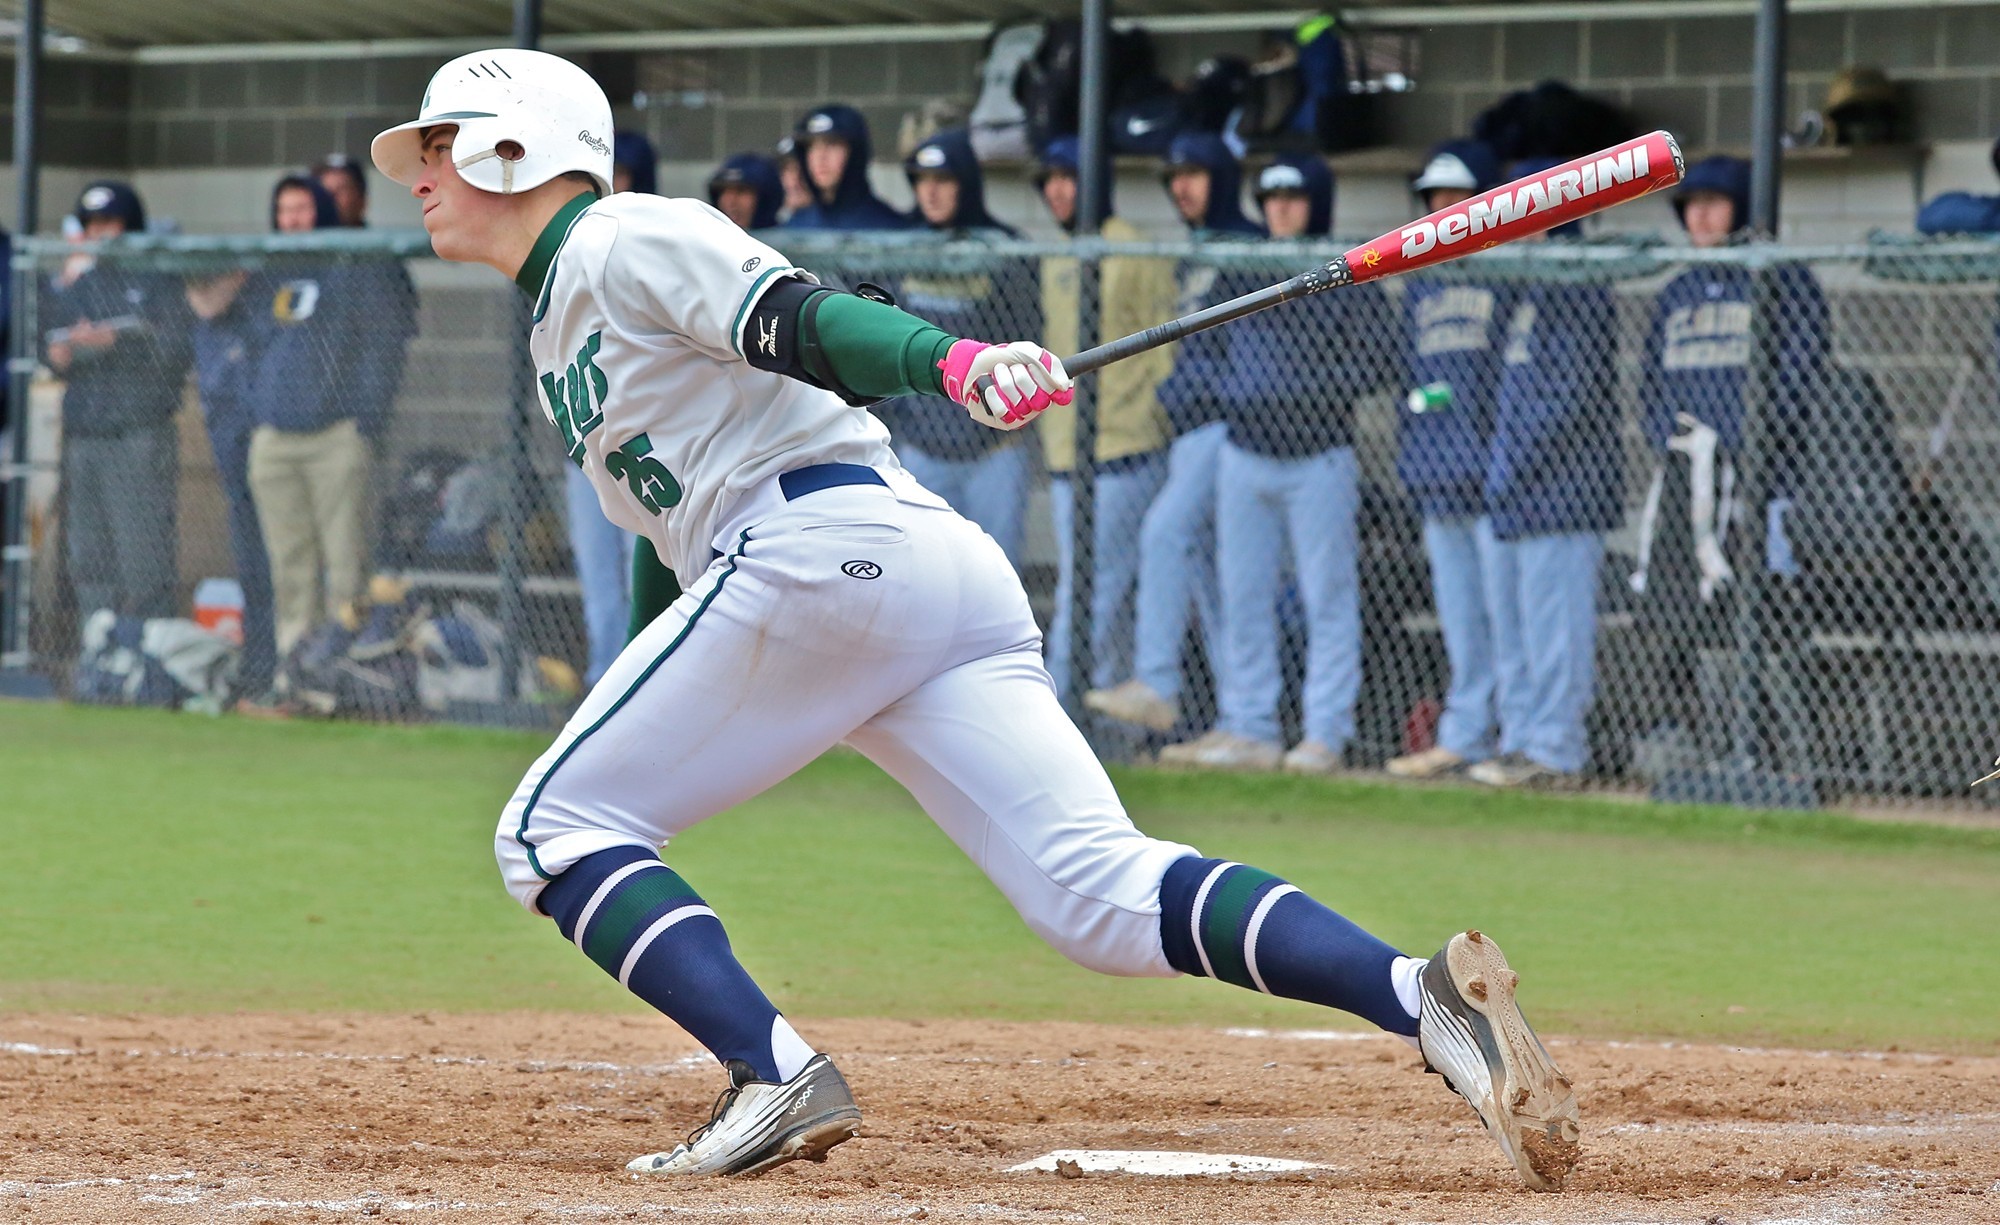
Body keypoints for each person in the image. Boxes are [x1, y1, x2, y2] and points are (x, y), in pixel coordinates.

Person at [370, 47, 1579, 1190]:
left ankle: (773, 1076)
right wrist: (646, 696)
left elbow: (799, 320)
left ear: (516, 149)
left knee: (547, 828)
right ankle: (1416, 992)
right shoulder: (556, 315)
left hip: (818, 550)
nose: (418, 174)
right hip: (897, 568)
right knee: (1095, 899)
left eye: (438, 143)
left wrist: (954, 364)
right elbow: (665, 534)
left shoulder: (624, 231)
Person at [1180, 153, 1393, 775]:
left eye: (1294, 197)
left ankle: (1324, 733)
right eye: (1270, 197)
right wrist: (1237, 392)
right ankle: (1251, 727)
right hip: (1244, 454)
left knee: (1328, 597)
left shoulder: (1344, 270)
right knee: (1243, 596)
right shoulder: (1242, 266)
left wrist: (1303, 390)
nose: (1280, 208)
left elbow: (1380, 361)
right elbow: (1202, 350)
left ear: (1315, 203)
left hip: (1320, 458)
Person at [1630, 156, 1830, 758]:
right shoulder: (1676, 292)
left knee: (1771, 621)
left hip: (1765, 487)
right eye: (1691, 204)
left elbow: (1801, 374)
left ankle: (1790, 750)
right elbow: (1649, 390)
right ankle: (1704, 741)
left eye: (1715, 203)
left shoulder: (1784, 281)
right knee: (1685, 616)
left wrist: (1735, 439)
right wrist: (1684, 441)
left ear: (1742, 210)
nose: (1701, 215)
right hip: (1690, 487)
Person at [1469, 172, 1624, 789]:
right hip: (1514, 493)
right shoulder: (1520, 293)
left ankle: (1556, 750)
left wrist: (1512, 465)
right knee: (1515, 634)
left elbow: (1568, 397)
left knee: (1555, 634)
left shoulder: (1578, 288)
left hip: (1563, 494)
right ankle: (1521, 739)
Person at [1126, 134, 1269, 763]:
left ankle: (1157, 683)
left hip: (1224, 427)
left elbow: (1242, 352)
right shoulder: (1197, 252)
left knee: (1165, 533)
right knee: (1212, 581)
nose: (1182, 187)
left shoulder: (1246, 249)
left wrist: (1193, 390)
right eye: (1173, 177)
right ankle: (1239, 719)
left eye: (1195, 175)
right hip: (1188, 432)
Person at [1032, 136, 1177, 702]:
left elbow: (1162, 341)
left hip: (1125, 448)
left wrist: (1151, 417)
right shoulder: (1054, 255)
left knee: (1092, 590)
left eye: (1068, 177)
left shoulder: (1134, 249)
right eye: (1048, 180)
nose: (1056, 191)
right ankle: (1099, 711)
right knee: (1093, 591)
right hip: (1068, 452)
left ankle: (1060, 709)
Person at [238, 174, 405, 663]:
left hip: (336, 436)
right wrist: (257, 409)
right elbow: (248, 346)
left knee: (346, 562)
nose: (293, 220)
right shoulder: (269, 271)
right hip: (274, 438)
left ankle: (349, 669)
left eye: (303, 208)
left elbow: (382, 347)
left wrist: (364, 421)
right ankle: (297, 669)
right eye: (284, 209)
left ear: (325, 212)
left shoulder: (355, 265)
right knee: (290, 565)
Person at [1386, 140, 1510, 780]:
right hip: (1438, 475)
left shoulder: (1504, 277)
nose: (1444, 211)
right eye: (1435, 201)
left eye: (1455, 200)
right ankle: (1464, 735)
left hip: (1492, 481)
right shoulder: (1419, 288)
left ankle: (1501, 737)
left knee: (1501, 617)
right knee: (1462, 619)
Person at [867, 129, 1039, 568]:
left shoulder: (1005, 249)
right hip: (922, 449)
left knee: (999, 576)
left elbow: (1026, 340)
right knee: (927, 575)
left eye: (944, 179)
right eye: (922, 179)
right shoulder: (901, 251)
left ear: (965, 183)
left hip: (995, 452)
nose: (932, 190)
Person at [44, 181, 192, 627]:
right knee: (88, 551)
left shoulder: (160, 280)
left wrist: (118, 343)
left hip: (137, 433)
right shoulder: (82, 284)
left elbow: (177, 352)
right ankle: (102, 648)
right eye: (91, 224)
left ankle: (150, 648)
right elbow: (48, 342)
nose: (100, 233)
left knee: (142, 551)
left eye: (110, 222)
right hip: (85, 432)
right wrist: (59, 354)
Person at [186, 263, 278, 704]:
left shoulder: (258, 311)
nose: (205, 297)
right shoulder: (204, 327)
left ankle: (292, 670)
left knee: (284, 566)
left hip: (268, 451)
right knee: (251, 568)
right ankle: (259, 668)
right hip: (232, 459)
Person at [783, 105, 918, 231]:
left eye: (832, 144)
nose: (820, 157)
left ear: (855, 153)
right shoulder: (795, 226)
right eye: (812, 146)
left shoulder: (888, 227)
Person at [707, 153, 784, 232]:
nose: (731, 201)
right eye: (723, 191)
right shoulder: (709, 239)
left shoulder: (790, 240)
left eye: (741, 191)